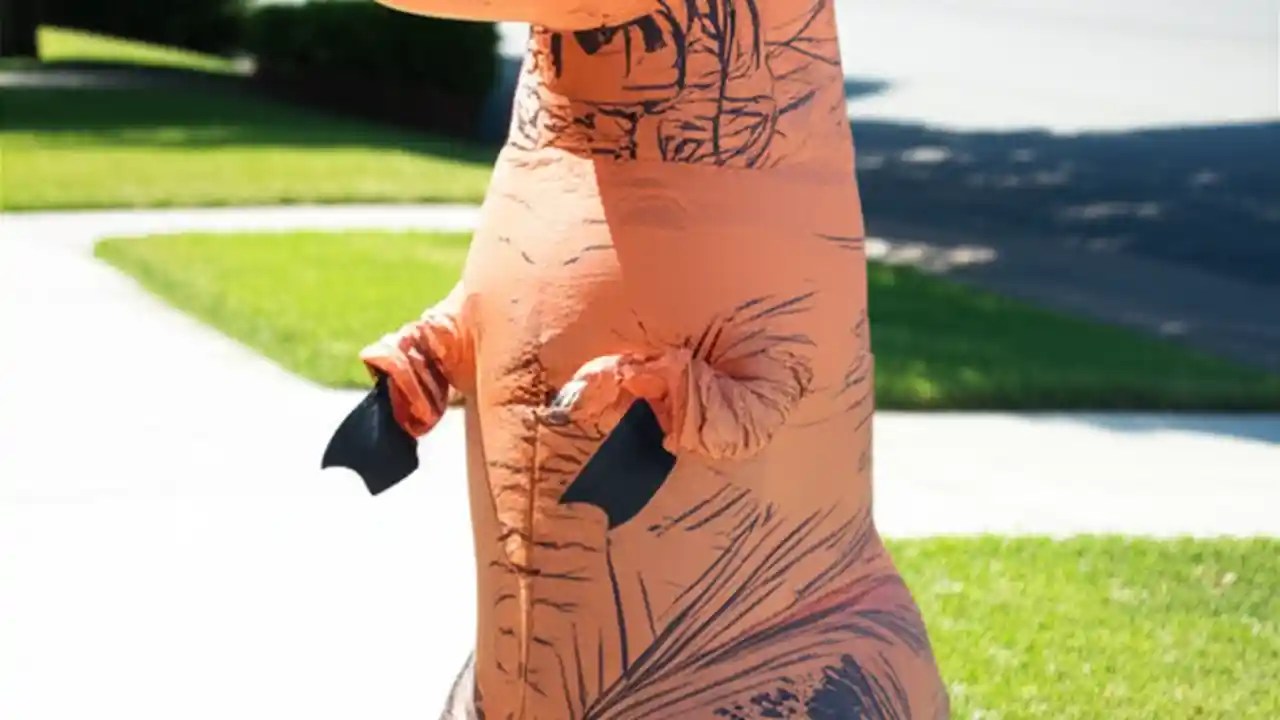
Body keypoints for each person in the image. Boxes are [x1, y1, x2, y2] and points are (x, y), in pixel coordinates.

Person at [355, 1, 949, 717]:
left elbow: (781, 385)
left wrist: (688, 398)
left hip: (765, 661)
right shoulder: (551, 150)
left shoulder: (768, 193)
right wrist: (437, 348)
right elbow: (504, 295)